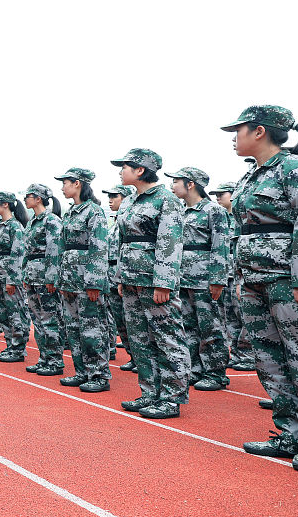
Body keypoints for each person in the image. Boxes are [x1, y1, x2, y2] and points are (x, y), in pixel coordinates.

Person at [225, 105, 298, 473]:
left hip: (287, 280)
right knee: (269, 359)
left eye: (239, 129)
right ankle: (289, 432)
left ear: (259, 131)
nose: (234, 136)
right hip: (255, 278)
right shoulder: (251, 175)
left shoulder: (297, 169)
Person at [110, 148, 188, 419]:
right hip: (131, 279)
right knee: (140, 339)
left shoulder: (166, 200)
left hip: (154, 281)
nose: (121, 171)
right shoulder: (131, 200)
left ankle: (171, 398)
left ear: (140, 170)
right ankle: (149, 393)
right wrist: (120, 277)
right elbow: (122, 243)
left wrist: (164, 283)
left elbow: (170, 243)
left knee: (167, 338)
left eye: (125, 167)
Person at [167, 167, 231, 392]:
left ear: (191, 184)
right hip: (183, 278)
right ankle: (195, 369)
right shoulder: (180, 211)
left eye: (176, 181)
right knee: (188, 325)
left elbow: (221, 245)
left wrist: (218, 278)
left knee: (211, 326)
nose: (173, 186)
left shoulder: (214, 210)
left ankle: (215, 373)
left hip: (205, 278)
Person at [53, 169, 111, 391]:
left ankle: (98, 375)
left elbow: (99, 247)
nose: (62, 187)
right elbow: (62, 248)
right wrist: (60, 278)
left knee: (92, 328)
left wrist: (95, 281)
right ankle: (82, 371)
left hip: (87, 278)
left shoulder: (93, 212)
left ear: (77, 184)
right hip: (69, 278)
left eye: (65, 183)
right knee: (74, 327)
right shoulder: (70, 213)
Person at [208, 181, 254, 371]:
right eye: (216, 194)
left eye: (222, 194)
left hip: (238, 274)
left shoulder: (241, 218)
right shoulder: (221, 217)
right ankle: (236, 353)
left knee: (244, 314)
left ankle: (248, 354)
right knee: (228, 317)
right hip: (224, 275)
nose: (218, 197)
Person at [21, 184, 64, 375]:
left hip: (45, 276)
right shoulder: (32, 222)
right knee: (37, 320)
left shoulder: (51, 221)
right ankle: (44, 358)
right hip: (32, 276)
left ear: (38, 198)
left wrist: (52, 277)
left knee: (50, 319)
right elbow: (26, 252)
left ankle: (55, 361)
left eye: (28, 196)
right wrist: (24, 274)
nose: (25, 199)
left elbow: (54, 250)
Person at [0, 192, 28, 363]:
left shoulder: (15, 227)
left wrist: (13, 279)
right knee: (2, 312)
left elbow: (18, 254)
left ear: (6, 204)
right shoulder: (1, 226)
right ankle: (10, 346)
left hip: (9, 277)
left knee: (15, 312)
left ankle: (18, 349)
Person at [102, 184, 136, 371]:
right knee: (120, 321)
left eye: (115, 196)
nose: (110, 199)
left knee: (133, 321)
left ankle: (141, 358)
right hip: (112, 274)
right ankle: (133, 356)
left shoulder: (130, 222)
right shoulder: (115, 223)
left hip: (124, 273)